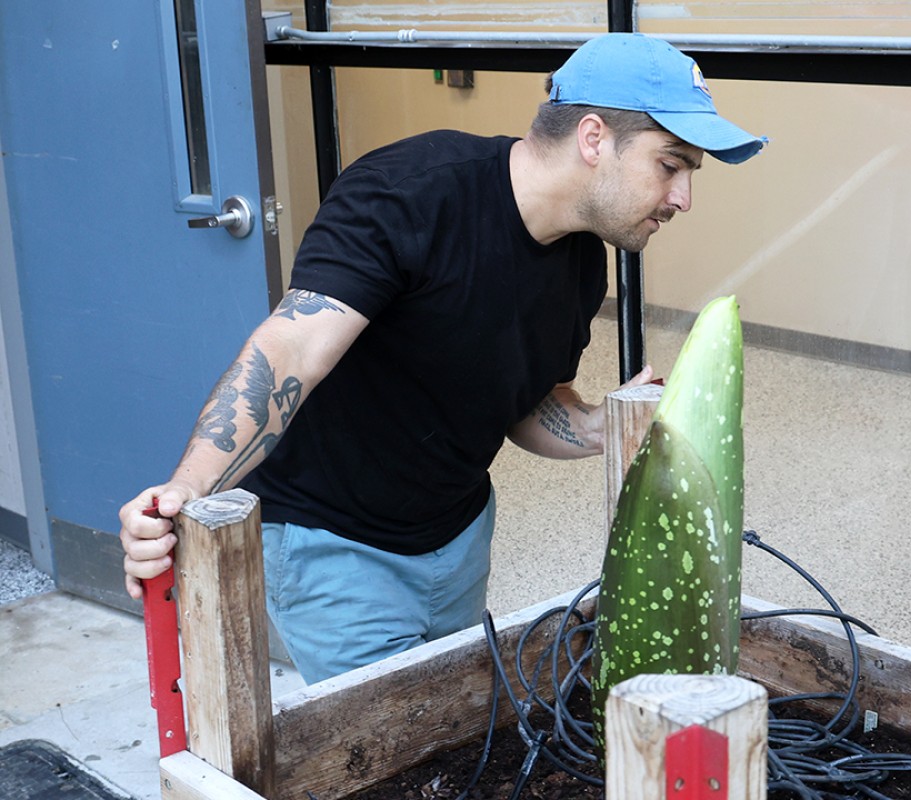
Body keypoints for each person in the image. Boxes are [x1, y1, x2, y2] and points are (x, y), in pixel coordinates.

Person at [119, 32, 766, 684]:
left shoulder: (581, 260)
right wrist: (188, 488)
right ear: (594, 139)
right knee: (387, 754)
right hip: (336, 548)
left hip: (458, 536)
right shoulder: (408, 195)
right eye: (671, 165)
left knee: (455, 735)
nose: (683, 197)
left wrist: (599, 426)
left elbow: (524, 399)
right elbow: (292, 349)